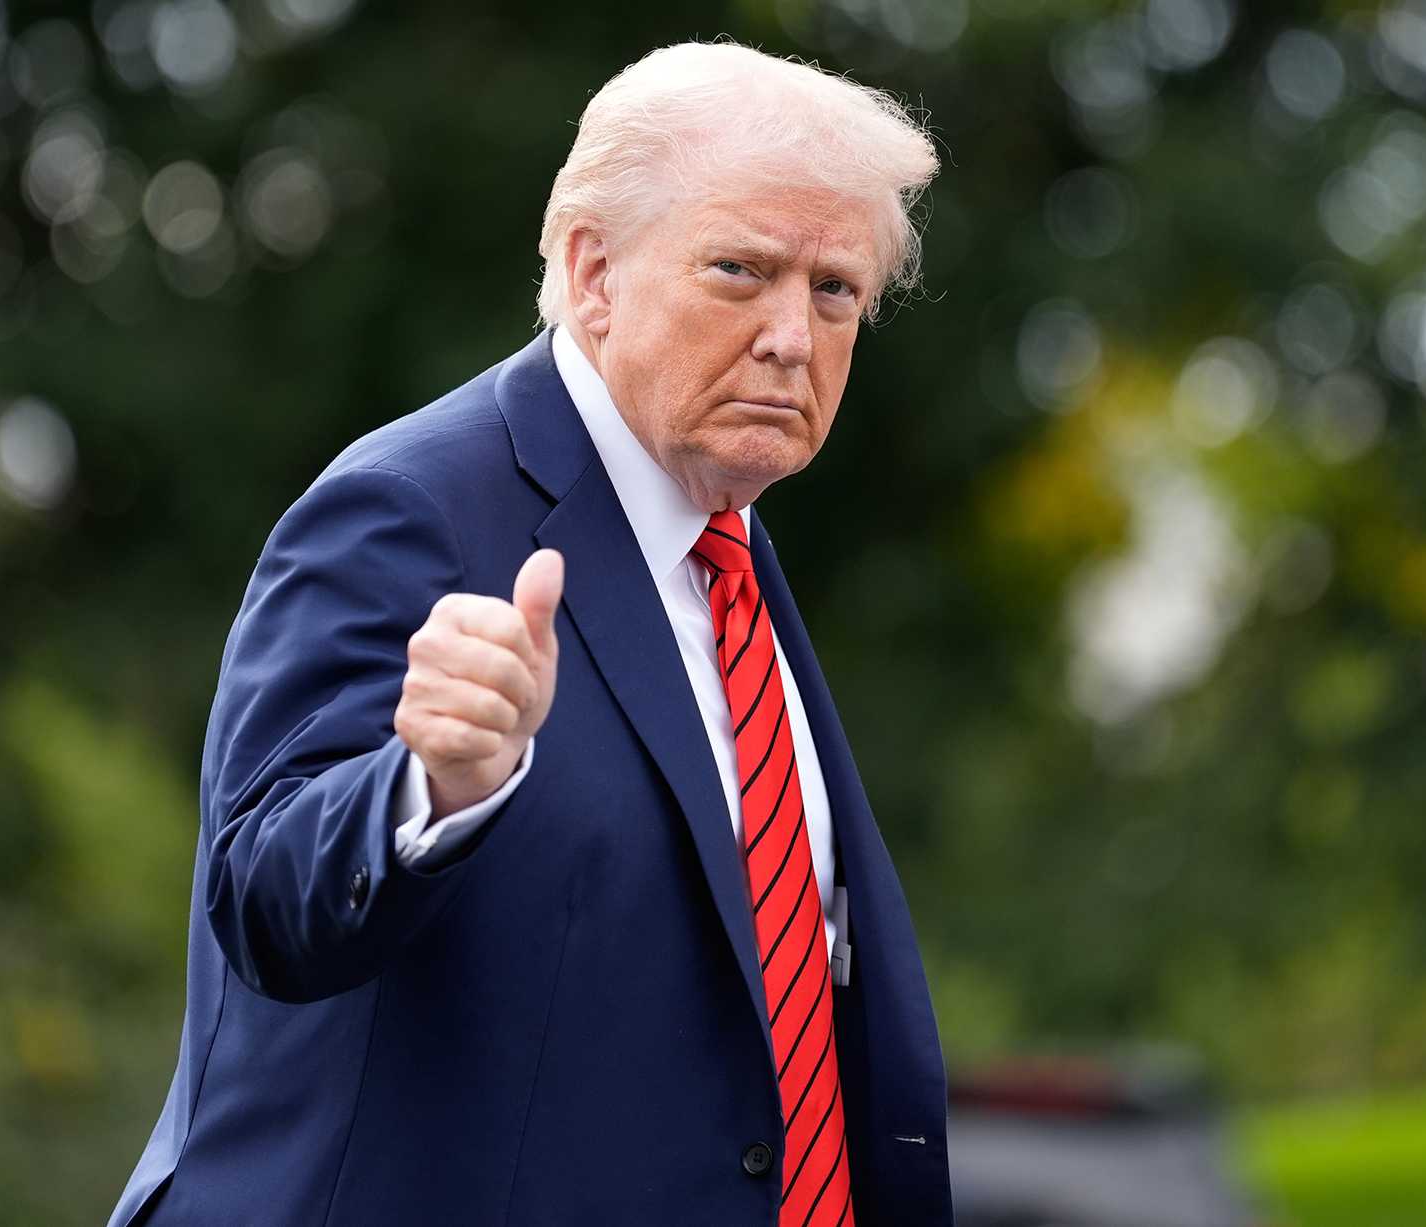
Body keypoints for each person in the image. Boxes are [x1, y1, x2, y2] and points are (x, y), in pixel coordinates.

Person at [108, 40, 949, 1227]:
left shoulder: (731, 554)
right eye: (740, 271)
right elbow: (261, 898)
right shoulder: (411, 505)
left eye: (834, 291)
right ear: (593, 271)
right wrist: (432, 789)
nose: (791, 339)